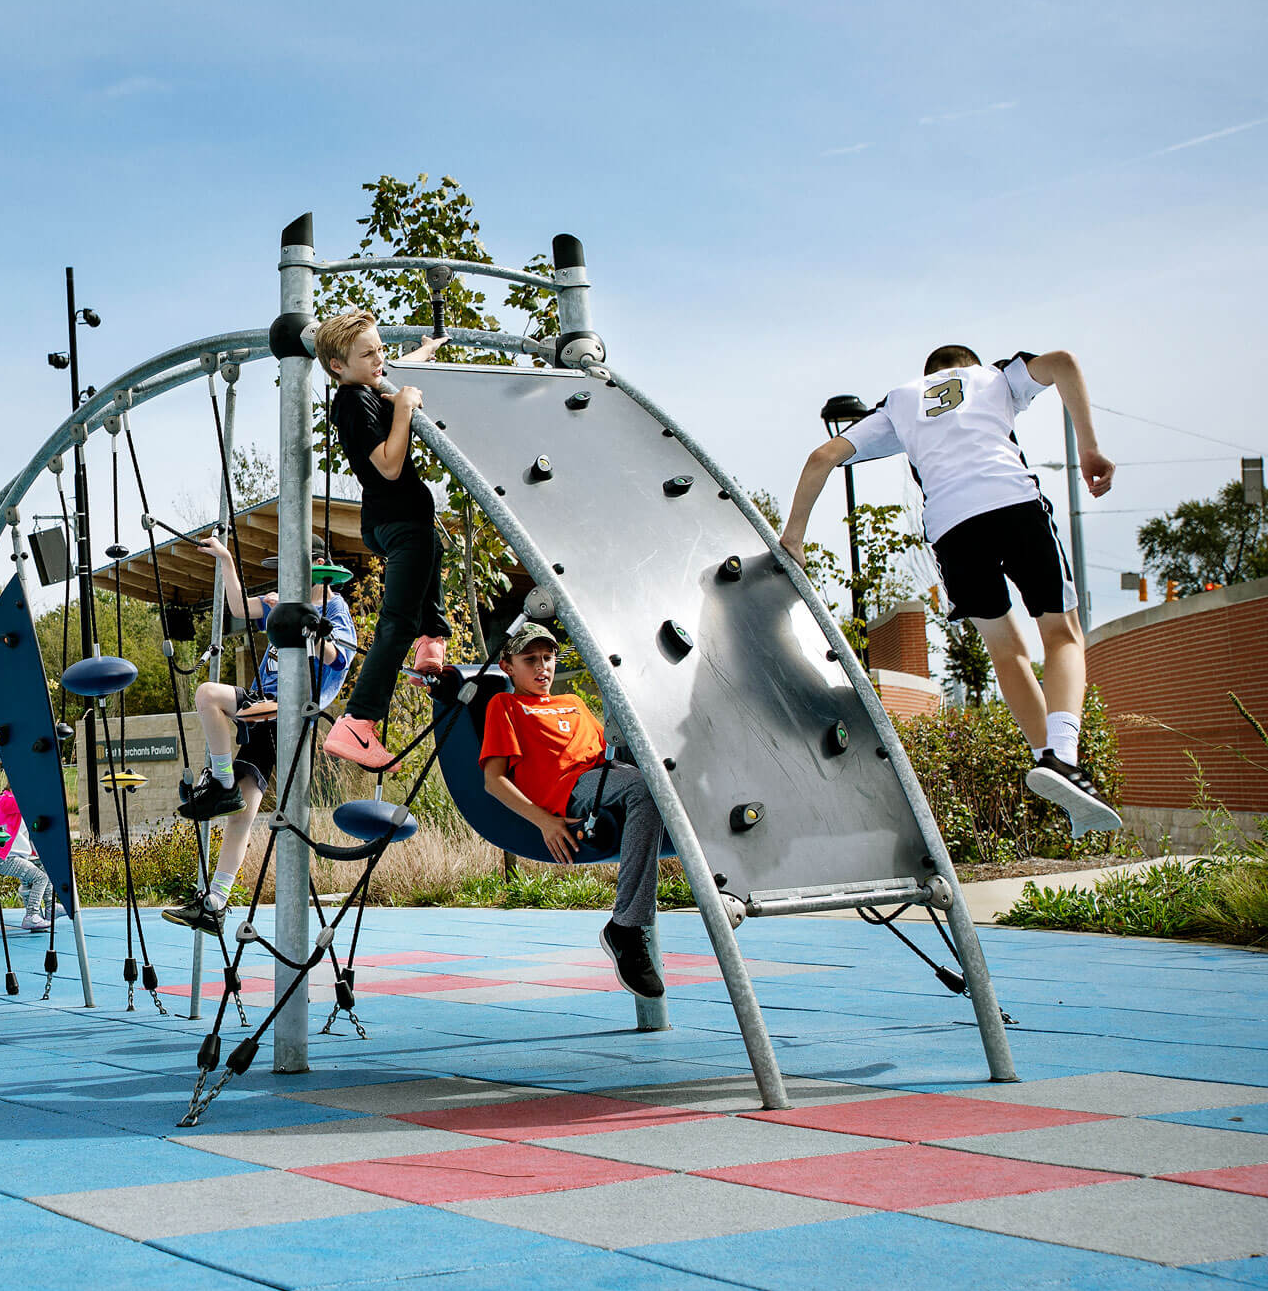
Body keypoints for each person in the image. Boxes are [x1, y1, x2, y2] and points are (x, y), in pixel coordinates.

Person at [782, 345, 1122, 836]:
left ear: (927, 376)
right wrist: (1089, 448)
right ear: (969, 364)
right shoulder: (997, 377)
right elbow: (1065, 362)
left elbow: (822, 457)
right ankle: (1063, 757)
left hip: (953, 530)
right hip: (1012, 502)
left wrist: (793, 537)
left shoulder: (899, 402)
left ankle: (1046, 760)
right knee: (1063, 635)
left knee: (1007, 653)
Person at [478, 624, 743, 996]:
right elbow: (494, 781)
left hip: (607, 772)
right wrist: (545, 821)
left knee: (679, 768)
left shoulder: (573, 701)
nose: (543, 668)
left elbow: (609, 749)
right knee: (642, 788)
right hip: (573, 788)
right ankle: (627, 928)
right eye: (530, 660)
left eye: (549, 658)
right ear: (508, 666)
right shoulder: (505, 706)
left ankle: (734, 870)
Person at [164, 530, 357, 935]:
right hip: (261, 707)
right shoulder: (281, 604)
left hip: (288, 711)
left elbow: (338, 657)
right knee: (240, 813)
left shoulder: (335, 609)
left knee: (210, 699)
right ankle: (215, 900)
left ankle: (220, 786)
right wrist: (225, 559)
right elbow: (237, 605)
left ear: (318, 574)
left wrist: (304, 621)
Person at [316, 309, 450, 771]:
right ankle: (357, 722)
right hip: (397, 521)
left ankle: (432, 641)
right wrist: (406, 407)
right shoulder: (353, 402)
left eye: (381, 349)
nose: (380, 360)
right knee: (396, 621)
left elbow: (393, 372)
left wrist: (427, 350)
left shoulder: (366, 384)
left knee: (433, 551)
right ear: (337, 365)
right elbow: (390, 465)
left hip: (403, 521)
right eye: (368, 353)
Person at [0, 787, 51, 931]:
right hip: (5, 857)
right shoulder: (5, 799)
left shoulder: (20, 804)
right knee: (40, 878)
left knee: (47, 870)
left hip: (19, 856)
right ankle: (31, 916)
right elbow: (27, 804)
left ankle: (49, 909)